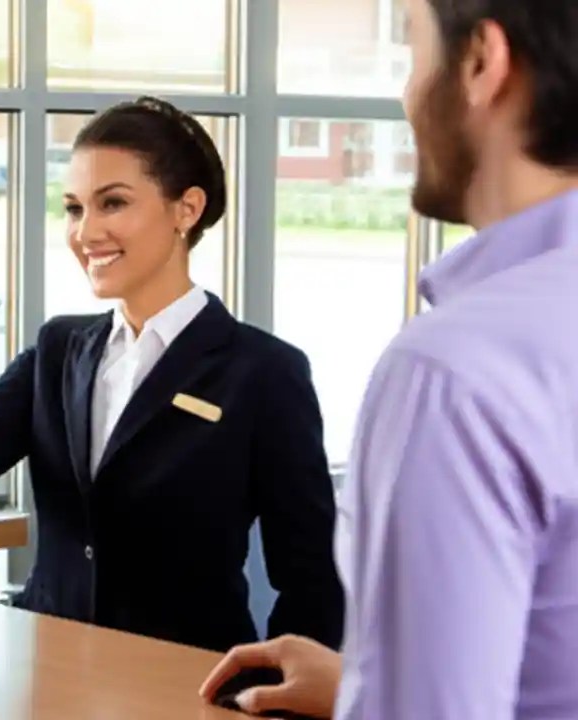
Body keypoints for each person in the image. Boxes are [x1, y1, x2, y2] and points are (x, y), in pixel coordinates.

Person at [0, 96, 344, 653]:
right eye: (75, 208)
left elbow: (310, 572)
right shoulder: (60, 348)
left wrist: (280, 692)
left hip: (184, 680)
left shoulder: (263, 371)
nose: (86, 232)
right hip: (48, 667)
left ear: (186, 209)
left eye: (114, 203)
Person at [200, 0, 578, 717]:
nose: (407, 95)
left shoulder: (457, 373)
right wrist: (360, 683)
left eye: (414, 52)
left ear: (479, 62)